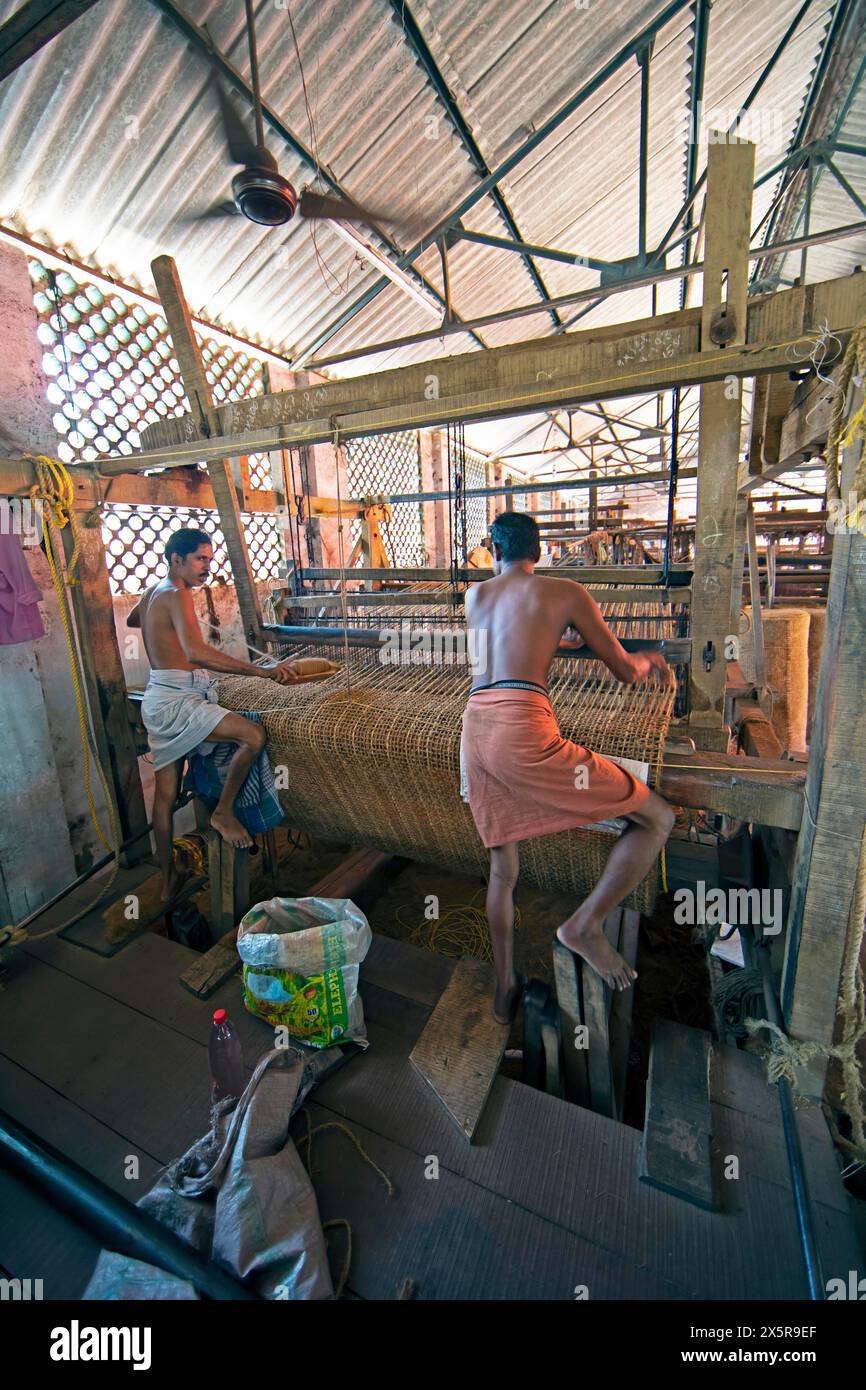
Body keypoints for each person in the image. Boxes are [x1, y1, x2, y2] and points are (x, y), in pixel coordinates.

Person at [461, 511, 676, 1023]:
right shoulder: (567, 592)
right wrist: (653, 658)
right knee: (659, 818)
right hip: (522, 731)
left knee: (503, 869)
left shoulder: (476, 597)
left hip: (475, 730)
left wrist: (560, 642)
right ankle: (584, 925)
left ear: (494, 549)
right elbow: (623, 669)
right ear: (541, 550)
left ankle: (503, 987)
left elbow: (500, 651)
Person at [128, 527, 298, 904]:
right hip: (178, 700)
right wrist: (262, 671)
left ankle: (167, 880)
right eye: (201, 559)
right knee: (252, 736)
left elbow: (133, 622)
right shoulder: (177, 593)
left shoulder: (153, 591)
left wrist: (163, 628)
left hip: (158, 698)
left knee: (165, 796)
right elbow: (198, 654)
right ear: (177, 559)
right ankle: (223, 812)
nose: (208, 566)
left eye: (209, 558)